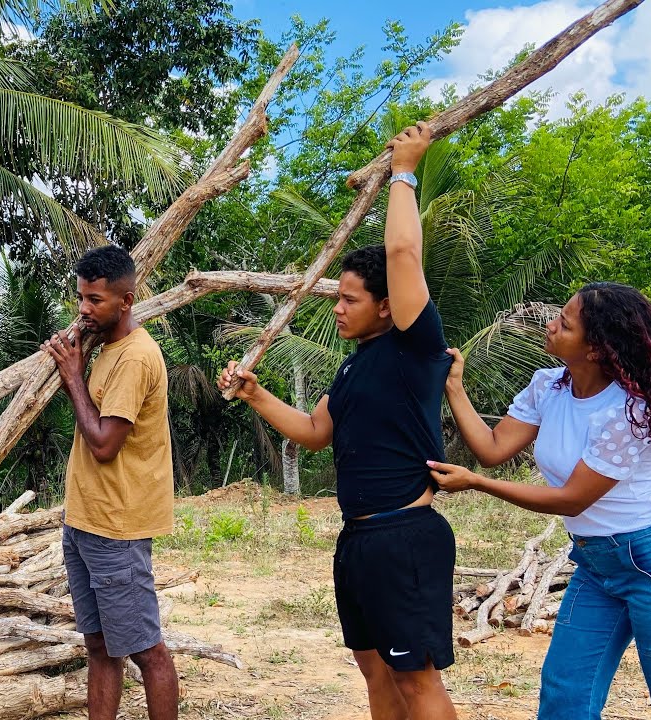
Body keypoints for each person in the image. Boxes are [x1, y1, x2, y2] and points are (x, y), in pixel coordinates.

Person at [219, 122, 458, 719]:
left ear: (388, 306)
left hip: (404, 536)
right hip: (359, 538)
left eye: (350, 299)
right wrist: (256, 395)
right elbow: (315, 432)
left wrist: (404, 172)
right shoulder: (355, 366)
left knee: (416, 680)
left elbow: (403, 255)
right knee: (376, 671)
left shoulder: (414, 348)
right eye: (337, 297)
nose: (338, 308)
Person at [428, 282, 651, 720]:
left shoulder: (628, 411)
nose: (550, 325)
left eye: (564, 324)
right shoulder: (549, 387)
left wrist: (477, 484)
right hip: (597, 566)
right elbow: (492, 448)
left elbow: (571, 500)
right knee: (565, 696)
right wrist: (455, 387)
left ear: (597, 348)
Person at [42, 245, 179, 720]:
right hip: (85, 521)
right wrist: (77, 369)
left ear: (126, 301)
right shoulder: (105, 347)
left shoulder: (135, 358)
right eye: (81, 297)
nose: (84, 309)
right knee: (99, 646)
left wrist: (72, 378)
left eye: (95, 300)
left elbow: (103, 444)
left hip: (116, 528)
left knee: (146, 650)